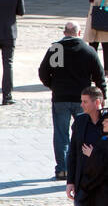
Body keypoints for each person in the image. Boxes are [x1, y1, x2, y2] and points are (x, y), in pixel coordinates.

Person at [40, 22, 106, 182]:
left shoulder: (55, 49)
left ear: (64, 32)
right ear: (79, 32)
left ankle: (62, 170)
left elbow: (43, 73)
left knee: (61, 134)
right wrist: (102, 97)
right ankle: (83, 167)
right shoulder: (88, 50)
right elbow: (99, 76)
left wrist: (53, 86)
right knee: (83, 133)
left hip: (60, 97)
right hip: (83, 100)